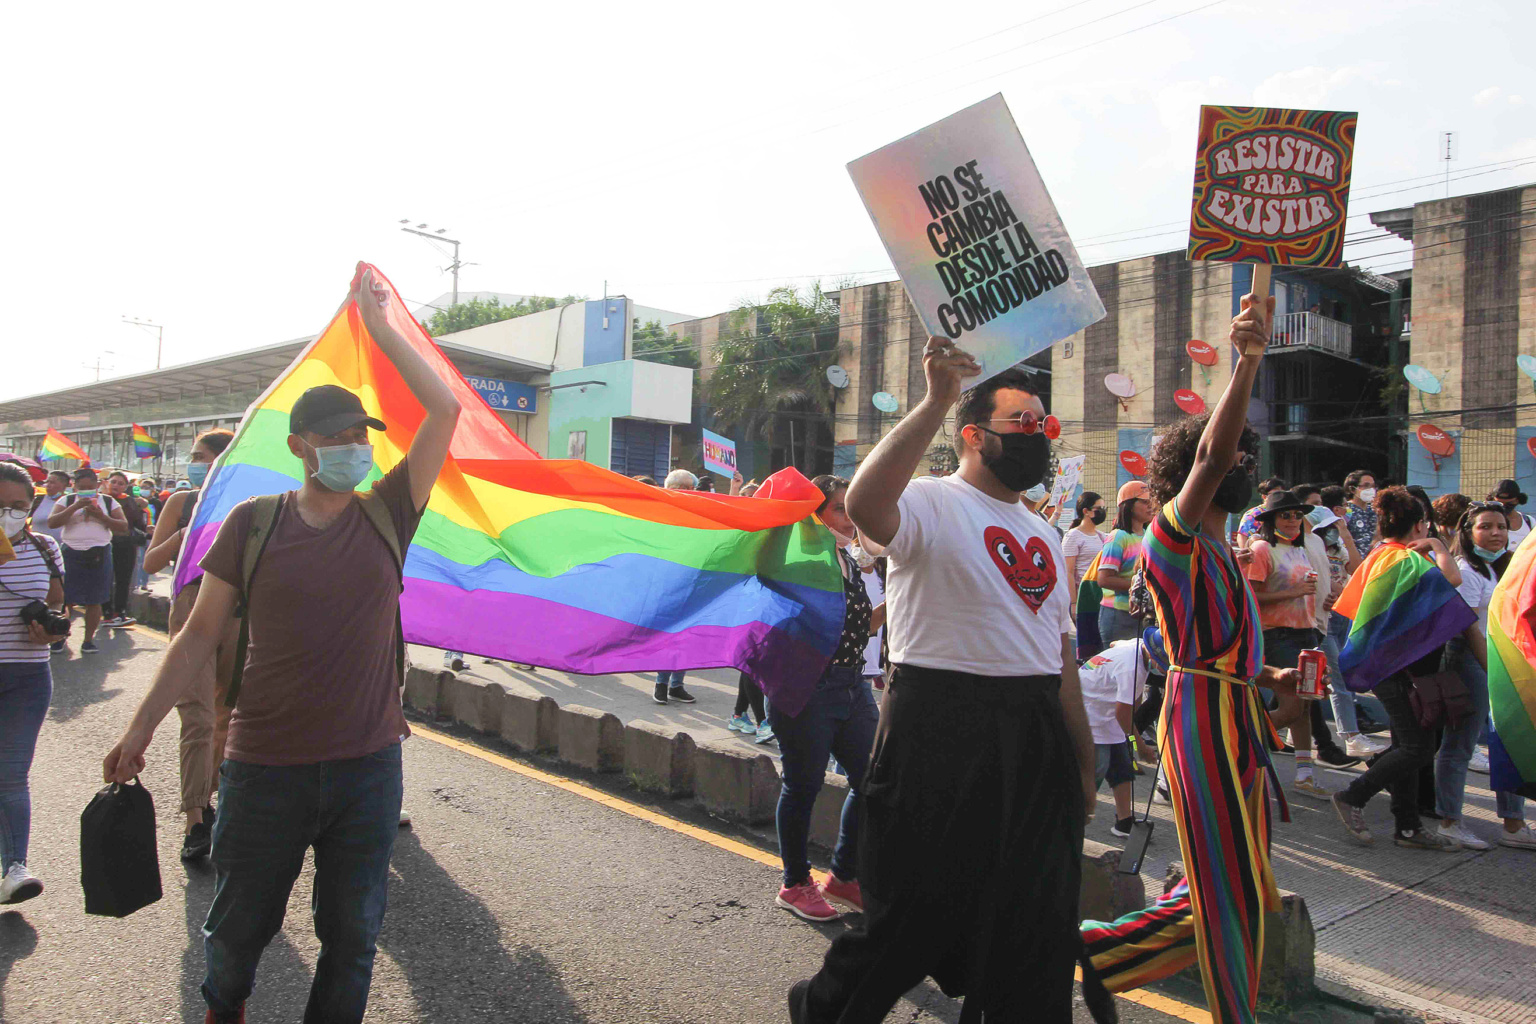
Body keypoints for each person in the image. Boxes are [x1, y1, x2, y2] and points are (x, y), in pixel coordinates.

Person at [103, 266, 462, 1024]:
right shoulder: (255, 523)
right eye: (337, 439)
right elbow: (198, 635)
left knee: (353, 938)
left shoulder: (391, 509)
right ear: (301, 446)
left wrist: (382, 328)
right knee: (239, 931)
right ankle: (224, 1007)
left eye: (361, 438)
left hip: (369, 766)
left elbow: (444, 408)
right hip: (265, 766)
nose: (355, 449)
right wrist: (138, 729)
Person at [790, 355, 1100, 1024]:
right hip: (938, 733)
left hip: (1034, 737)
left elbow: (1061, 659)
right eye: (1021, 422)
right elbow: (867, 506)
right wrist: (935, 399)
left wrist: (1081, 764)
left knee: (1035, 927)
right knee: (913, 919)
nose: (1037, 435)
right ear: (974, 435)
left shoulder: (1044, 534)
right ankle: (822, 1009)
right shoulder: (932, 500)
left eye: (1043, 424)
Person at [1084, 287, 1298, 1024]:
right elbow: (1212, 452)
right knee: (1231, 895)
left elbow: (1223, 648)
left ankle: (1102, 955)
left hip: (1236, 714)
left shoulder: (1226, 549)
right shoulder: (1169, 538)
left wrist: (1269, 674)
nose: (1241, 458)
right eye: (1235, 451)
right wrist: (1247, 361)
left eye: (1245, 453)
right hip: (1201, 721)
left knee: (1244, 885)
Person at [1330, 487, 1475, 852]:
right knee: (1417, 749)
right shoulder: (1406, 558)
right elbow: (1451, 581)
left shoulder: (1380, 555)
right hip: (1398, 671)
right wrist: (1439, 547)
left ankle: (1408, 828)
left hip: (1392, 667)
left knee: (1407, 747)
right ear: (1419, 525)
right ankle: (1352, 796)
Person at [770, 475, 881, 923]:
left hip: (852, 687)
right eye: (840, 509)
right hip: (807, 688)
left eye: (852, 509)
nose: (850, 519)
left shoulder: (848, 559)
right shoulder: (798, 561)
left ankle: (842, 875)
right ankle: (795, 883)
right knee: (803, 785)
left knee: (874, 780)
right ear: (814, 514)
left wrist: (898, 600)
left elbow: (858, 627)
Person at [142, 428, 240, 861]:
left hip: (240, 613)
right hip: (190, 612)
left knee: (227, 716)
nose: (194, 463)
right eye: (194, 456)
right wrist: (183, 536)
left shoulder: (250, 503)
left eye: (202, 456)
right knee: (197, 716)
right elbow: (151, 562)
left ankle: (214, 795)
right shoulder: (181, 502)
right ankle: (195, 820)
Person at [1438, 501, 1534, 850]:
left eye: (1501, 527)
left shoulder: (1507, 567)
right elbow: (1466, 627)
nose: (1496, 533)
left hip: (1502, 660)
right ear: (1467, 532)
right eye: (1485, 527)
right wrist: (1494, 671)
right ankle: (1449, 821)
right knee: (1459, 744)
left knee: (1510, 739)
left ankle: (1513, 824)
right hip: (1470, 660)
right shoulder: (1465, 570)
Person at [0, 462, 66, 904]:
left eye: (18, 506)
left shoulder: (45, 546)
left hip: (28, 677)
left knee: (11, 776)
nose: (9, 513)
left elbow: (59, 601)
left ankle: (14, 869)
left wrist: (52, 630)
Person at [1246, 490, 1335, 797]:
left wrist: (1326, 599)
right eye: (1286, 515)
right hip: (1277, 634)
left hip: (1307, 633)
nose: (1293, 520)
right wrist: (1294, 593)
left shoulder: (1299, 548)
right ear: (1271, 520)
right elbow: (1251, 596)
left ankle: (1304, 775)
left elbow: (1306, 589)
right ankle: (1237, 743)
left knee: (1306, 704)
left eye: (1298, 515)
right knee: (1292, 706)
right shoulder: (1261, 548)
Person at [1308, 505, 1385, 759]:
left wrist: (1347, 537)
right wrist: (1334, 589)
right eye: (1328, 528)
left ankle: (1297, 731)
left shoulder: (1338, 548)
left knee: (1322, 677)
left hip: (1341, 616)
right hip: (1322, 618)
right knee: (1339, 678)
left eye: (1334, 527)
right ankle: (1351, 736)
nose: (1332, 531)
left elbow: (1357, 569)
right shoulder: (1308, 549)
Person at [1079, 630, 1164, 837]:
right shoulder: (1131, 669)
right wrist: (1139, 746)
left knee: (1122, 768)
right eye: (1164, 664)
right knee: (1095, 771)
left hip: (1106, 712)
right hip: (1090, 713)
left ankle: (1124, 822)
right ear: (1153, 656)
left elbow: (1114, 644)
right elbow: (1123, 714)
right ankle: (1071, 821)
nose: (1165, 669)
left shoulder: (1137, 645)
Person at [48, 466, 128, 653]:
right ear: (74, 486)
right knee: (65, 599)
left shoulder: (108, 502)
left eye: (90, 487)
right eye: (82, 488)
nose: (86, 491)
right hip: (71, 551)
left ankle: (88, 640)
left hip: (99, 552)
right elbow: (52, 522)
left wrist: (100, 516)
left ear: (98, 485)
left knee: (95, 599)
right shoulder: (66, 500)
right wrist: (75, 507)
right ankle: (60, 637)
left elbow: (123, 526)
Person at [653, 469, 701, 704]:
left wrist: (734, 488)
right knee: (670, 635)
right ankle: (661, 683)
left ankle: (677, 685)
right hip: (666, 582)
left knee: (687, 635)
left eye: (692, 488)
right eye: (687, 487)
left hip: (691, 580)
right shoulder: (660, 510)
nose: (691, 492)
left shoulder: (696, 511)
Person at [1097, 482, 1152, 644]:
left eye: (1151, 501)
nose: (1150, 505)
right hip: (1118, 616)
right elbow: (1104, 579)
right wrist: (1140, 587)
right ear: (1128, 506)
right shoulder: (1118, 537)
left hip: (1142, 615)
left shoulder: (1149, 535)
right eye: (1144, 502)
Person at [103, 470, 146, 628]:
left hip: (126, 544)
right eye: (113, 482)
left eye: (120, 483)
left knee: (123, 580)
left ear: (126, 487)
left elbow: (138, 524)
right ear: (107, 482)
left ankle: (120, 613)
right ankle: (106, 614)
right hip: (105, 544)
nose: (116, 485)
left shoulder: (130, 502)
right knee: (106, 579)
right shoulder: (100, 500)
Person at [1063, 490, 1106, 621]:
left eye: (1104, 508)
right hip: (1083, 597)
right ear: (1086, 511)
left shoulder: (1102, 536)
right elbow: (1068, 572)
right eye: (1099, 508)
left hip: (1099, 595)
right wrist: (1073, 603)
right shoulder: (1073, 536)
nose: (1102, 512)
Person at [1234, 476, 1289, 543]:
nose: (1279, 497)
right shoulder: (1253, 514)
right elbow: (1242, 537)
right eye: (1275, 495)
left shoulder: (1288, 512)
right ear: (1264, 496)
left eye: (1281, 494)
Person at [1342, 470, 1380, 556]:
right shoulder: (1346, 510)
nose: (1371, 489)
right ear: (1352, 489)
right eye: (1366, 486)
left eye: (1373, 486)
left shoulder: (1376, 510)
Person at [29, 471, 71, 545]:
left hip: (63, 547)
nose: (47, 485)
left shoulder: (71, 501)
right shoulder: (37, 500)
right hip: (37, 546)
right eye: (47, 482)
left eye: (52, 483)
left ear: (64, 485)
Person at [1489, 479, 1533, 549]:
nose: (1503, 507)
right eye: (1499, 504)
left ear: (1517, 500)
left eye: (1509, 503)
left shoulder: (1529, 522)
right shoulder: (1486, 521)